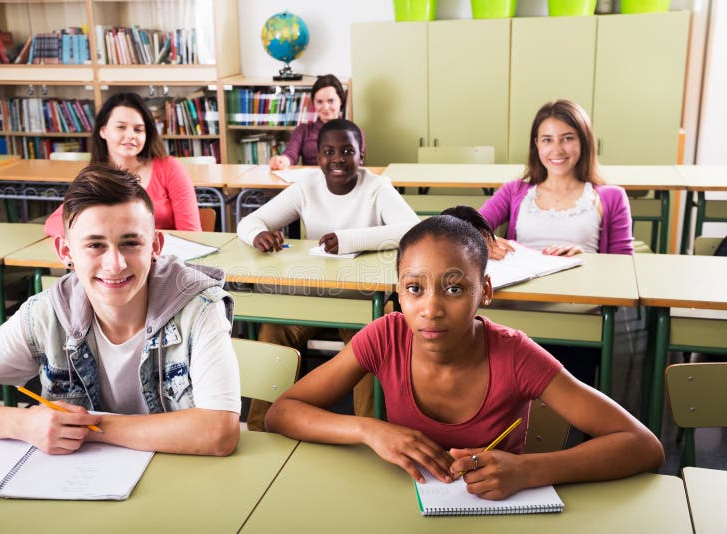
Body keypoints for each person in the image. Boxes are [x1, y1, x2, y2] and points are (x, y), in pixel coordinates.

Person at [265, 210, 663, 500]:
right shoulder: (385, 337)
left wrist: (530, 470)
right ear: (398, 292)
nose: (431, 309)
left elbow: (643, 445)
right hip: (402, 507)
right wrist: (369, 429)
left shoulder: (515, 354)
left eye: (454, 289)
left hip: (498, 510)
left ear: (485, 291)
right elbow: (281, 412)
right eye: (415, 289)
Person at [0, 164, 240, 456]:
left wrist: (88, 428)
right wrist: (21, 424)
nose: (115, 263)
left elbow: (219, 432)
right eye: (95, 245)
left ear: (156, 246)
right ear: (66, 251)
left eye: (131, 243)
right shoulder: (46, 314)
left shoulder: (200, 308)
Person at [238, 118, 419, 430]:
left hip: (361, 300)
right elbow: (251, 221)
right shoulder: (307, 186)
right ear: (317, 156)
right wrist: (257, 235)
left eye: (347, 151)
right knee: (272, 329)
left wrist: (351, 239)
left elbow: (414, 229)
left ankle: (372, 431)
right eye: (328, 151)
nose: (337, 159)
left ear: (362, 155)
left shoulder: (376, 188)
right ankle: (261, 429)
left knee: (371, 342)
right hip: (313, 295)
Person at [479, 99, 633, 259]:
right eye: (547, 140)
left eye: (567, 138)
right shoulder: (514, 191)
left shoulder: (613, 197)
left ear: (584, 141)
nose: (557, 150)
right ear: (537, 144)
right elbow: (464, 230)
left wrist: (586, 258)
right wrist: (487, 242)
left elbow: (623, 264)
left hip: (583, 283)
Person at [44, 92, 201, 237]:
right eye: (121, 127)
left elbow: (191, 232)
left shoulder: (170, 168)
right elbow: (55, 223)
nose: (130, 135)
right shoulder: (94, 176)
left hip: (165, 260)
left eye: (138, 130)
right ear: (103, 131)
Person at [269, 74, 365, 170]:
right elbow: (290, 155)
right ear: (313, 103)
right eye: (319, 102)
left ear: (341, 101)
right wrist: (281, 161)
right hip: (312, 182)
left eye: (331, 101)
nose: (325, 107)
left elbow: (357, 164)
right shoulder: (303, 130)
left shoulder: (354, 132)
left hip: (342, 181)